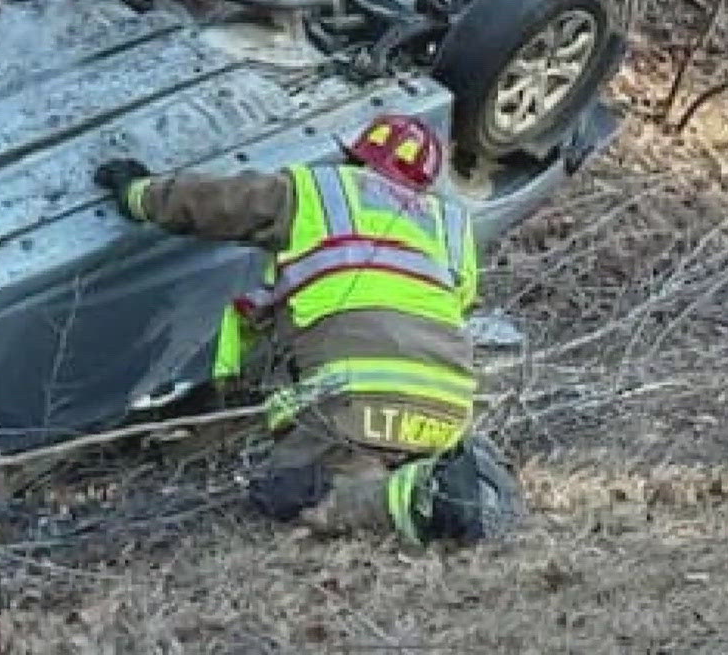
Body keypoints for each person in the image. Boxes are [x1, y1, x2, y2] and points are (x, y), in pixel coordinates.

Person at [93, 114, 523, 545]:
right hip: (449, 407)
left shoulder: (321, 189)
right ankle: (447, 475)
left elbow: (218, 202)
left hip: (353, 398)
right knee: (361, 454)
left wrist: (138, 193)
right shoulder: (452, 228)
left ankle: (411, 499)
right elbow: (456, 309)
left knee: (293, 493)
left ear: (355, 157)